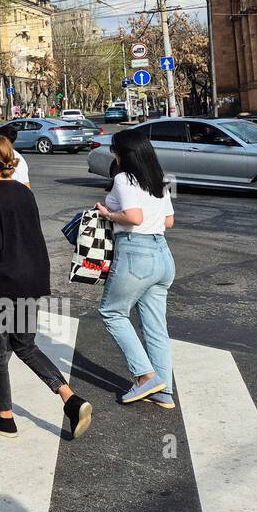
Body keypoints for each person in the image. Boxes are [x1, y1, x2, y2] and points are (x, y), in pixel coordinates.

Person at [0, 134, 92, 441]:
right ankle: (70, 398)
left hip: (4, 281)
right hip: (32, 277)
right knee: (25, 344)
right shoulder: (25, 192)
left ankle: (5, 417)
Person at [95, 129, 177, 408]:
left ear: (123, 154)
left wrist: (108, 214)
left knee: (112, 312)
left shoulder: (123, 179)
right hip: (163, 256)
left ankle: (145, 377)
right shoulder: (159, 179)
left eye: (114, 150)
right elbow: (168, 222)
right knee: (155, 326)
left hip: (136, 252)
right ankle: (163, 392)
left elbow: (134, 217)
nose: (113, 155)